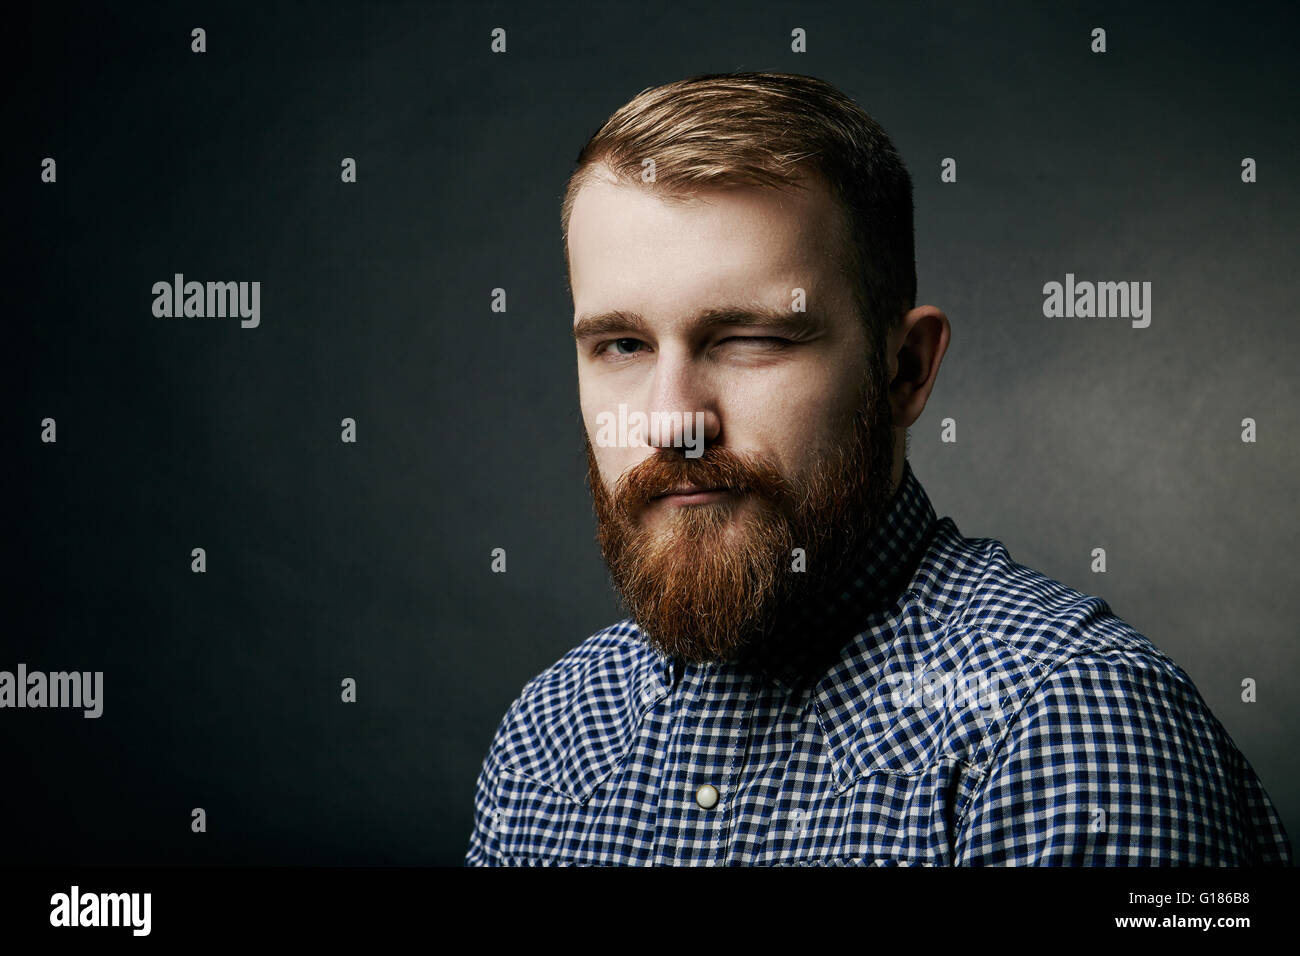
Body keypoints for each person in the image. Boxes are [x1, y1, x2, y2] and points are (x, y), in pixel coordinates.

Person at [466, 71, 1291, 865]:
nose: (673, 420)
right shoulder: (550, 735)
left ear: (904, 369)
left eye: (751, 338)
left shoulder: (1069, 728)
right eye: (622, 344)